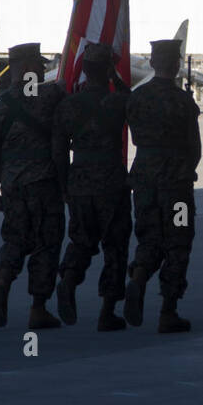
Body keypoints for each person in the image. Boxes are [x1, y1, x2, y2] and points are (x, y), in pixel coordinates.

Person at [0, 42, 67, 330]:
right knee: (46, 243)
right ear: (28, 67)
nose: (45, 69)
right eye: (40, 65)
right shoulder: (49, 97)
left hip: (13, 186)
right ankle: (38, 308)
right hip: (44, 185)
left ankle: (3, 282)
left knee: (16, 238)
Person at [50, 42, 132, 331]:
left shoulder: (68, 105)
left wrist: (64, 185)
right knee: (115, 245)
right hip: (111, 179)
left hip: (80, 180)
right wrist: (116, 79)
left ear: (84, 71)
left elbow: (58, 150)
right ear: (107, 70)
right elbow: (133, 103)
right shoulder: (118, 102)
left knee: (82, 239)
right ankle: (107, 311)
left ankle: (68, 280)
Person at [126, 39, 201, 332]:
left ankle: (139, 277)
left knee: (150, 236)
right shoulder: (184, 102)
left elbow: (134, 137)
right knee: (178, 241)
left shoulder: (136, 98)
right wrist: (184, 169)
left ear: (153, 63)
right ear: (178, 64)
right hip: (177, 186)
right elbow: (194, 148)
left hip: (144, 179)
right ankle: (168, 310)